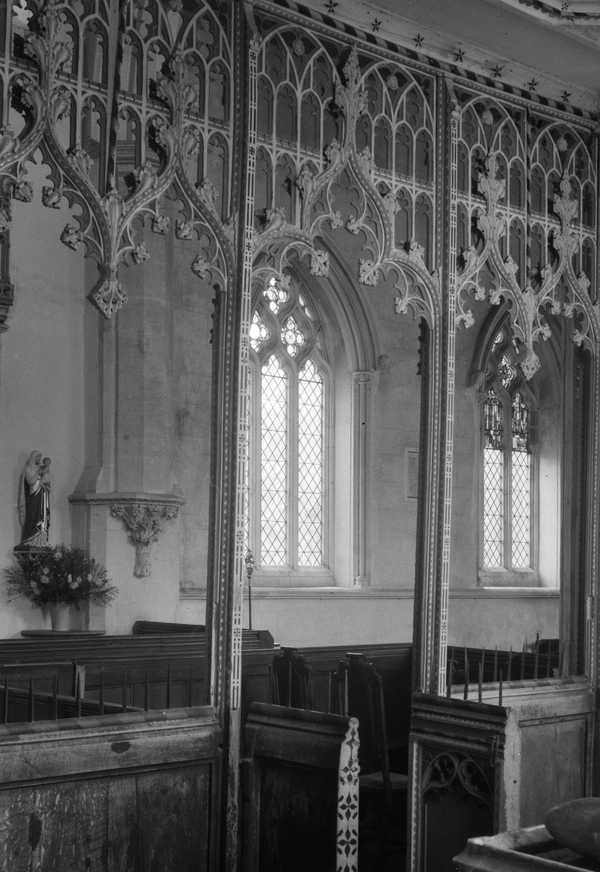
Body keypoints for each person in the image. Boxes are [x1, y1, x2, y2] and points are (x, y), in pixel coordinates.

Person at [18, 450, 51, 547]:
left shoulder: (40, 468)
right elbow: (30, 481)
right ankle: (29, 540)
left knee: (41, 517)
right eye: (37, 457)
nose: (39, 459)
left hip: (42, 496)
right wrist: (39, 473)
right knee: (32, 517)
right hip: (33, 497)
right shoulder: (28, 468)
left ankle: (40, 541)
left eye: (40, 457)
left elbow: (46, 482)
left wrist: (45, 474)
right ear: (33, 457)